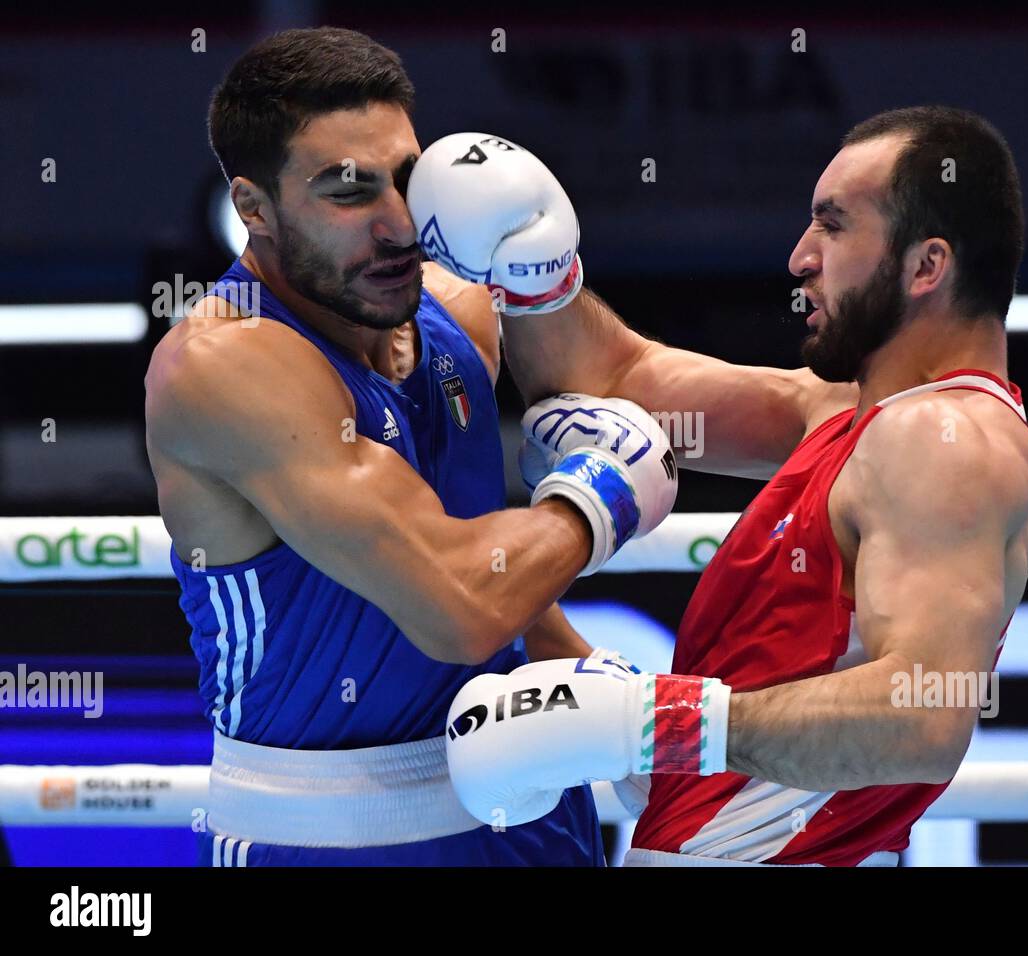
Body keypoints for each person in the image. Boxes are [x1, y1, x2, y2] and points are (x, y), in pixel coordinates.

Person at [410, 106, 1028, 866]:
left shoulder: (946, 444)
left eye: (834, 226)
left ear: (925, 267)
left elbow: (922, 721)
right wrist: (538, 272)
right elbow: (616, 381)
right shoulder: (847, 413)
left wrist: (657, 721)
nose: (800, 257)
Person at [142, 27, 675, 866]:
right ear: (253, 209)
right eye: (347, 193)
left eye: (405, 178)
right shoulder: (224, 363)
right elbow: (459, 604)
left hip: (530, 808)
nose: (399, 226)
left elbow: (486, 557)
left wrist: (626, 712)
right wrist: (603, 489)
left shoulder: (457, 313)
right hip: (328, 834)